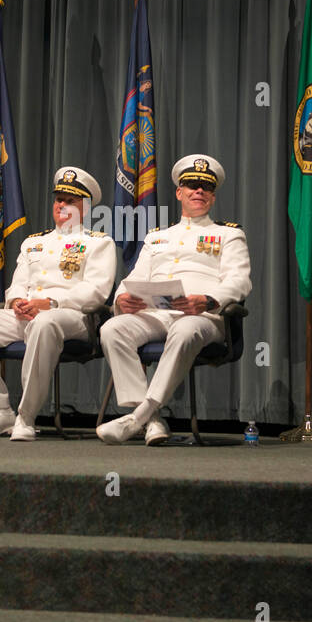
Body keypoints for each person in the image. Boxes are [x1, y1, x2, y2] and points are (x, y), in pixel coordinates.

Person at [96, 154, 252, 446]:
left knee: (185, 329)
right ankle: (151, 419)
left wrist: (207, 300)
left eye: (205, 187)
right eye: (192, 185)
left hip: (202, 318)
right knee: (111, 329)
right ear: (179, 193)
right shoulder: (157, 237)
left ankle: (137, 418)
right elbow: (134, 276)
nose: (199, 191)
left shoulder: (228, 235)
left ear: (213, 197)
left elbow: (239, 281)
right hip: (157, 314)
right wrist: (123, 299)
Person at [0, 167, 117, 441]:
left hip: (73, 317)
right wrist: (17, 300)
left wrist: (51, 302)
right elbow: (19, 282)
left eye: (71, 201)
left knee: (45, 322)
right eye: (59, 200)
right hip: (27, 314)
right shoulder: (34, 243)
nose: (62, 206)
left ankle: (26, 416)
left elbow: (96, 292)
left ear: (86, 207)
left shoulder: (98, 243)